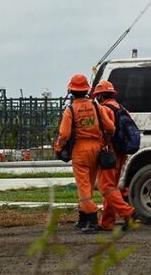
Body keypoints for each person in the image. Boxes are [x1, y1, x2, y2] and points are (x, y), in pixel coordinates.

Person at [55, 73, 115, 234]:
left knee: (83, 187)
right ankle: (83, 219)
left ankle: (92, 220)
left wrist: (58, 148)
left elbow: (64, 135)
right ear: (87, 90)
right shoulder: (96, 106)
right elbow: (110, 127)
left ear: (71, 91)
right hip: (96, 149)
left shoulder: (70, 110)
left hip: (80, 151)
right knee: (88, 183)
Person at [93, 80, 137, 232]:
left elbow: (108, 129)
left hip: (110, 151)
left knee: (106, 187)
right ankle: (106, 222)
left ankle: (128, 212)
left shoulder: (105, 109)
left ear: (100, 96)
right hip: (121, 152)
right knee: (112, 187)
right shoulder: (121, 108)